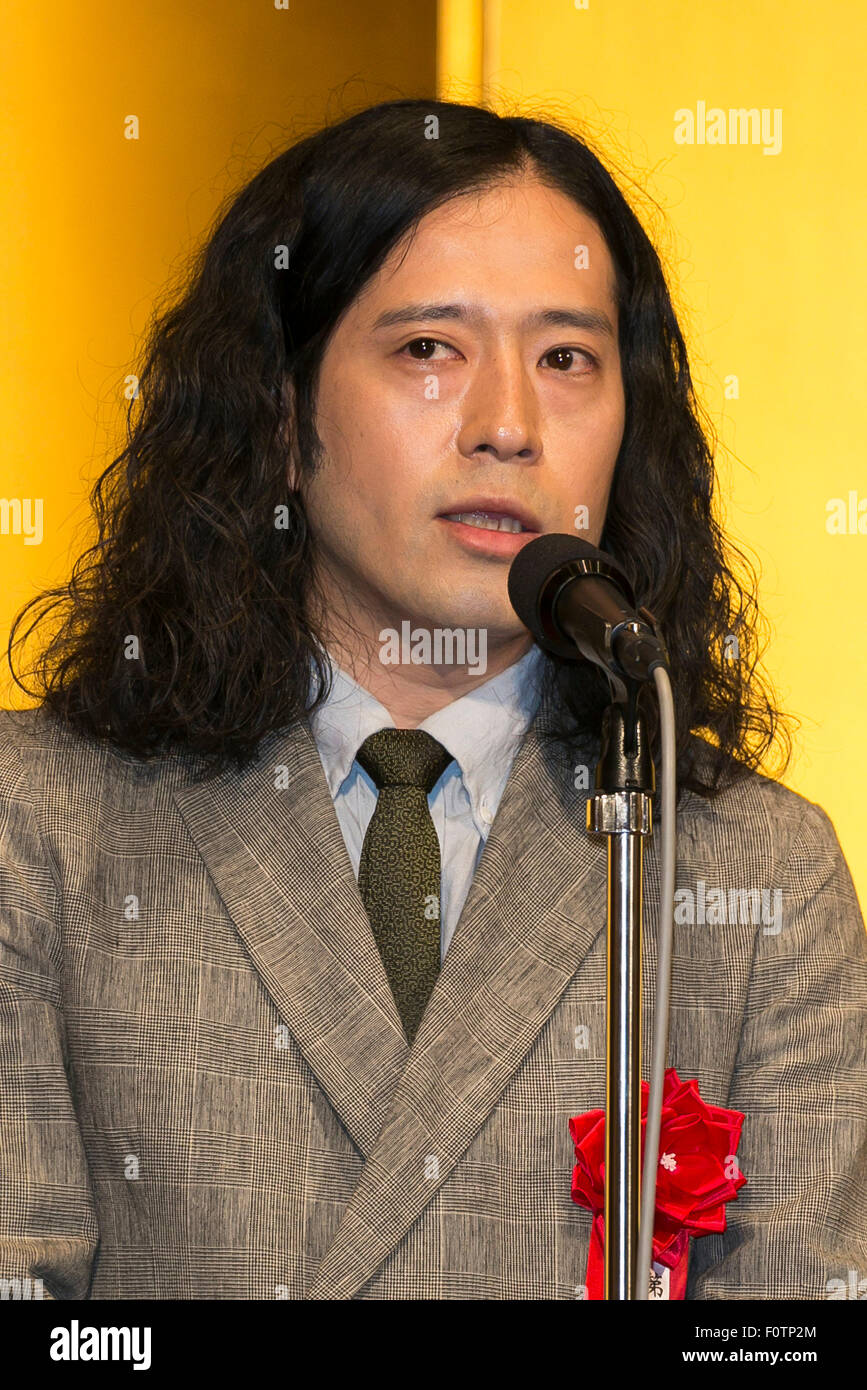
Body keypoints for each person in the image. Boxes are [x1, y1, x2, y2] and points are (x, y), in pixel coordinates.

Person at [1, 97, 864, 1301]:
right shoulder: (42, 824)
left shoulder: (757, 869)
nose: (508, 425)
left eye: (568, 358)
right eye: (428, 351)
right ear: (282, 409)